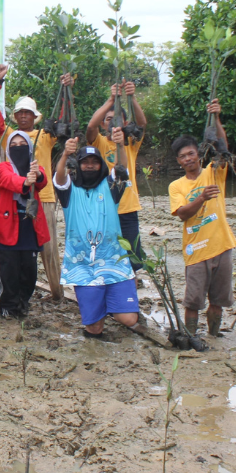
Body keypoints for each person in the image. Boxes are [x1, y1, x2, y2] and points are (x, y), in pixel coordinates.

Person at [0, 64, 66, 299]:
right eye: (20, 112)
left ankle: (57, 293)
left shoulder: (46, 135)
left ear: (35, 116)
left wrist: (65, 91)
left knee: (49, 250)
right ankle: (15, 292)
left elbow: (63, 120)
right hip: (14, 200)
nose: (23, 116)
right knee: (17, 248)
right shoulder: (8, 136)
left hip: (44, 197)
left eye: (28, 113)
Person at [54, 131, 140, 339]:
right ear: (78, 166)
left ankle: (109, 303)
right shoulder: (69, 191)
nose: (90, 166)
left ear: (101, 165)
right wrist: (65, 154)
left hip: (114, 262)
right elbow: (59, 176)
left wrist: (120, 146)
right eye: (85, 162)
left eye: (95, 162)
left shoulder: (110, 187)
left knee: (129, 319)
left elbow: (122, 168)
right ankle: (96, 318)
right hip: (83, 267)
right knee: (94, 329)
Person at [168, 100, 236, 337]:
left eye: (191, 154)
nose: (188, 159)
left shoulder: (213, 172)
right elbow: (182, 214)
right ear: (178, 161)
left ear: (198, 154)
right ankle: (190, 337)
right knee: (193, 301)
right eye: (182, 156)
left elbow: (222, 148)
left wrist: (216, 118)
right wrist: (202, 199)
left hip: (222, 245)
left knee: (218, 299)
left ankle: (214, 334)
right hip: (196, 250)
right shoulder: (176, 186)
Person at [85, 80, 147, 270]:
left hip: (128, 208)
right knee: (105, 254)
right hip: (104, 208)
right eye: (108, 119)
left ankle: (133, 286)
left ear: (125, 122)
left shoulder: (131, 143)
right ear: (104, 125)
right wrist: (111, 99)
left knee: (132, 256)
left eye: (117, 118)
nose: (113, 122)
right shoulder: (100, 143)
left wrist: (132, 97)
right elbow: (90, 127)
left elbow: (142, 123)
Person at [0, 130, 50, 318]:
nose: (18, 148)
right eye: (13, 145)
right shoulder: (3, 167)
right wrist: (25, 181)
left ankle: (23, 303)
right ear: (8, 149)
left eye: (22, 145)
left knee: (29, 271)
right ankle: (8, 306)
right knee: (8, 271)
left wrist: (35, 176)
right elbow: (8, 180)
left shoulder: (35, 168)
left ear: (30, 148)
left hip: (29, 228)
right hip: (6, 229)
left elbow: (42, 180)